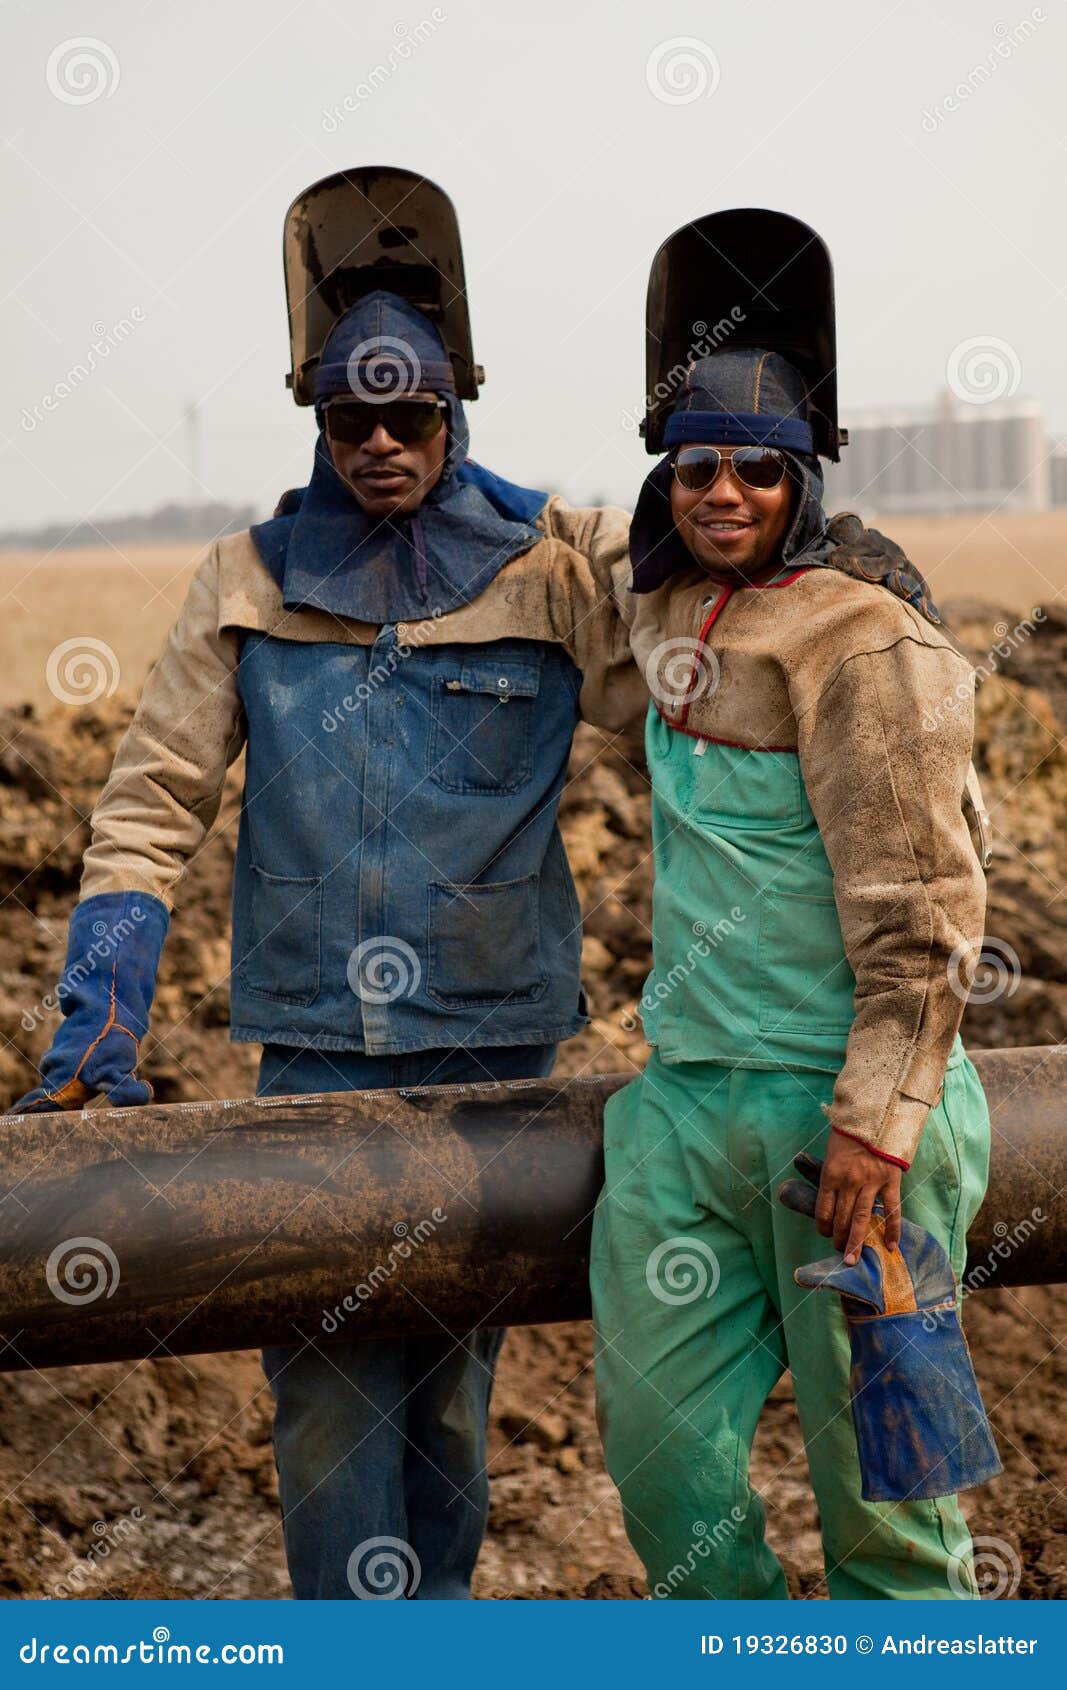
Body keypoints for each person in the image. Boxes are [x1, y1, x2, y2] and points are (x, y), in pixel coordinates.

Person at [12, 169, 642, 1597]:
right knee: (322, 1394)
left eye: (406, 418)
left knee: (443, 1405)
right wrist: (99, 1012)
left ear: (452, 416)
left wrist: (554, 511)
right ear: (316, 420)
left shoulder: (541, 578)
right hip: (312, 1053)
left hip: (496, 1057)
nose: (375, 445)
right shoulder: (245, 579)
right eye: (346, 420)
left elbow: (673, 671)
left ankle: (425, 1633)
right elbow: (148, 801)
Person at [590, 331, 996, 1600]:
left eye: (756, 470)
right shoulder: (664, 604)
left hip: (847, 1130)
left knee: (889, 1498)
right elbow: (566, 535)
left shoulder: (865, 646)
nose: (721, 492)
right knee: (661, 1466)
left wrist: (875, 1129)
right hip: (682, 1106)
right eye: (693, 465)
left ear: (802, 482)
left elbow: (925, 918)